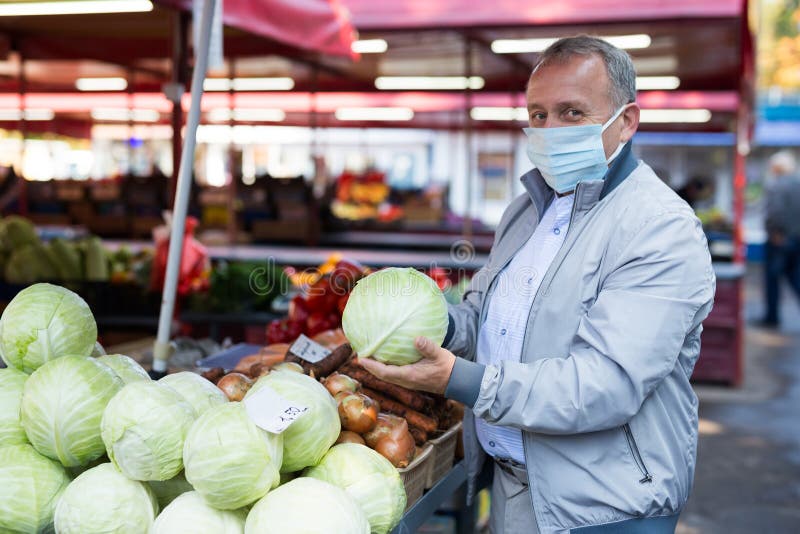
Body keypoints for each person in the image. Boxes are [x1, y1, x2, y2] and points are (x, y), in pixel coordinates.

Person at [358, 36, 715, 534]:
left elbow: (604, 385)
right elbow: (482, 317)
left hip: (604, 510)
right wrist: (413, 320)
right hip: (516, 494)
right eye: (539, 115)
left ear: (627, 122)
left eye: (572, 113)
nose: (550, 131)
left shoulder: (659, 228)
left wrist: (457, 379)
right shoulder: (528, 209)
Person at [760, 150, 800, 327]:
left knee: (772, 280)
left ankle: (772, 317)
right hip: (796, 238)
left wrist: (775, 232)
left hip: (779, 239)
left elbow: (775, 212)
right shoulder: (798, 184)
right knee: (795, 278)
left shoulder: (777, 185)